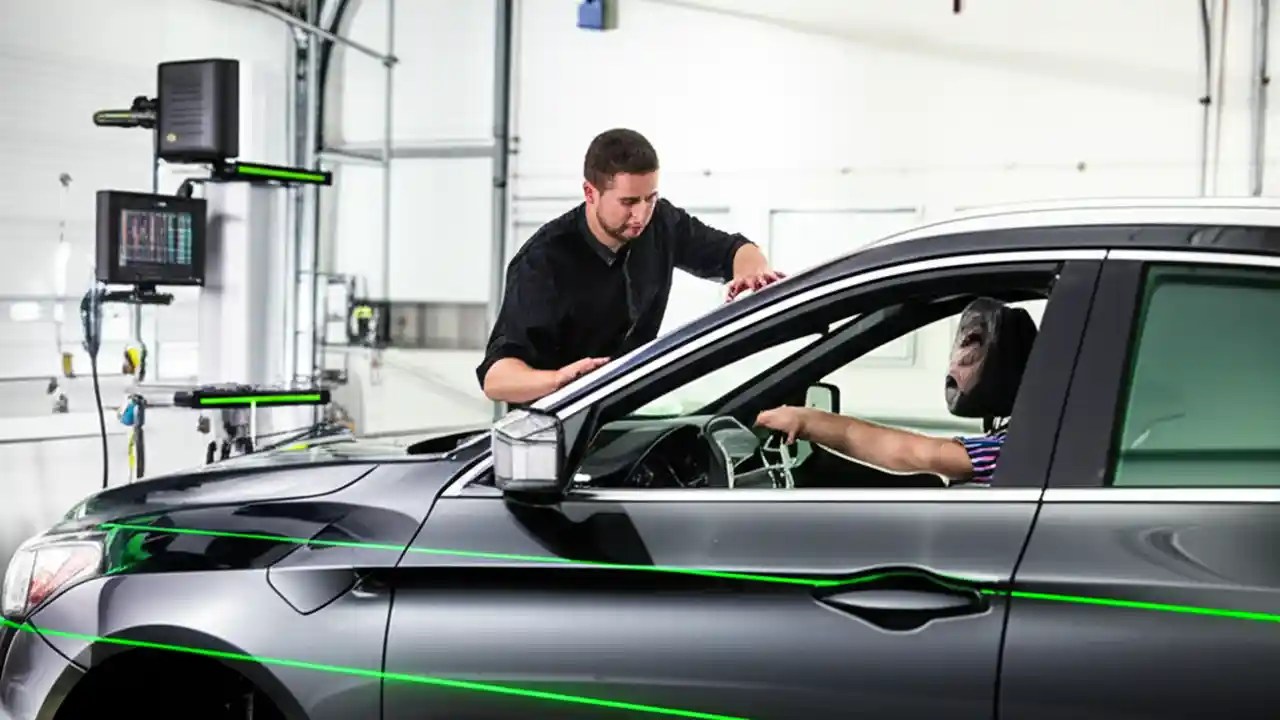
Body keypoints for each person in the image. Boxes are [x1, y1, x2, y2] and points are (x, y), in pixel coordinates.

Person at [477, 128, 784, 404]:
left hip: (621, 411)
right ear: (590, 193)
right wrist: (560, 380)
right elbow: (497, 378)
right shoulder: (542, 262)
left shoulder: (660, 222)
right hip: (555, 429)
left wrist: (752, 271)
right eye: (628, 202)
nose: (641, 215)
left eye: (650, 198)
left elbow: (735, 249)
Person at [754, 297, 1038, 487]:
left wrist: (807, 421)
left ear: (1010, 362)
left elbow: (912, 452)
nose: (956, 359)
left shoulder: (1012, 454)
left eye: (972, 342)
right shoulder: (1021, 443)